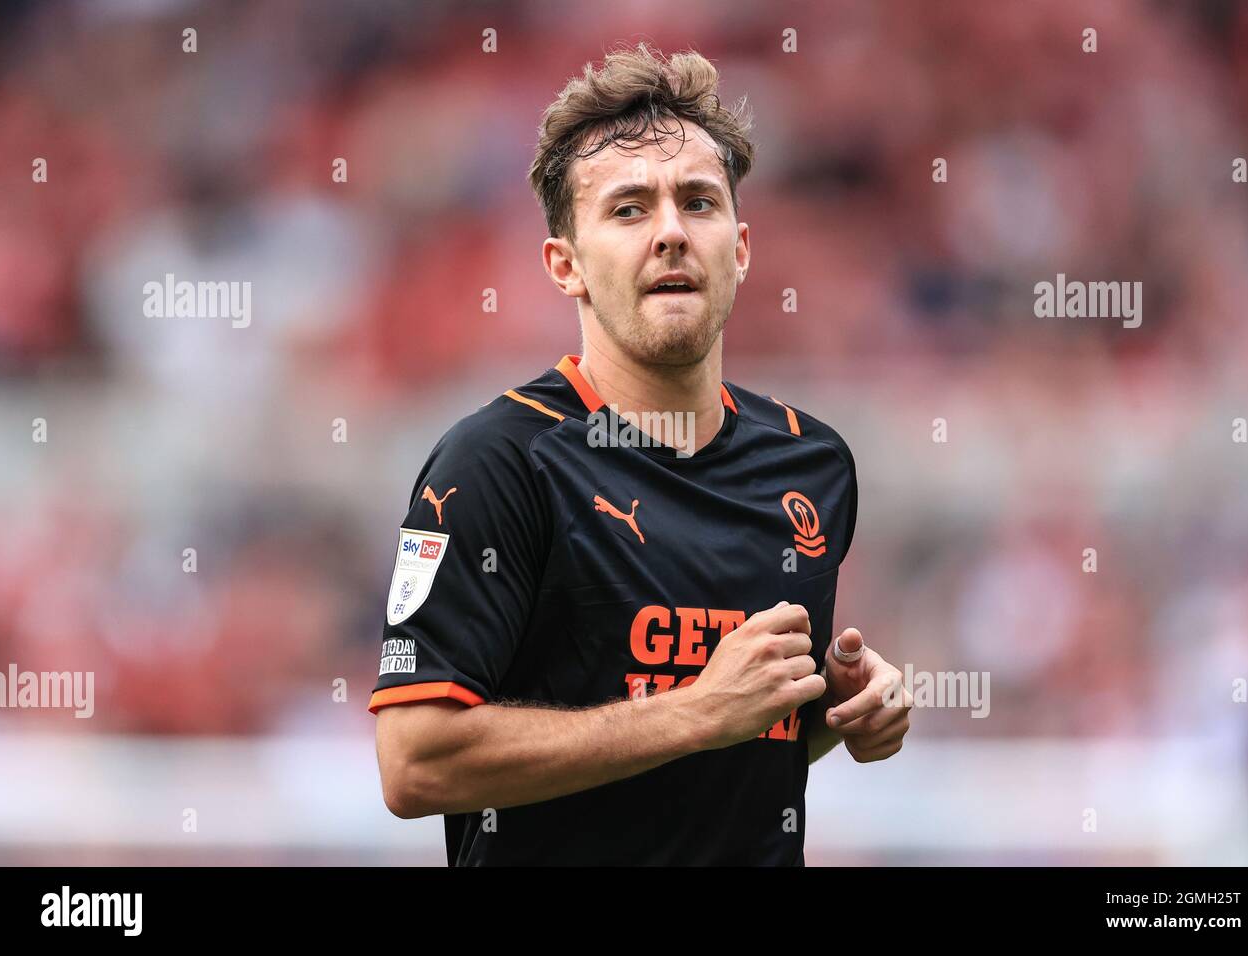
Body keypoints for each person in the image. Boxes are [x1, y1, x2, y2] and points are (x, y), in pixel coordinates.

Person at [371, 43, 911, 865]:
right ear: (567, 266)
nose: (669, 232)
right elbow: (414, 764)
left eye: (698, 202)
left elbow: (735, 750)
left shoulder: (813, 466)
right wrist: (697, 709)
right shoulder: (497, 464)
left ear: (740, 247)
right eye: (628, 209)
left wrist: (830, 712)